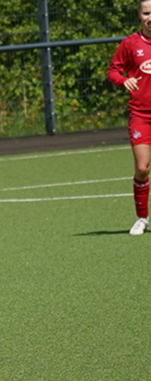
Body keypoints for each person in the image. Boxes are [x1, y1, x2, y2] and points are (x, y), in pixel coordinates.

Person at [109, 0, 151, 235]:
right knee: (142, 168)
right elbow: (112, 70)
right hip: (141, 116)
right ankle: (142, 218)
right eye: (146, 13)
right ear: (139, 15)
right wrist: (124, 80)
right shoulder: (130, 44)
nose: (150, 17)